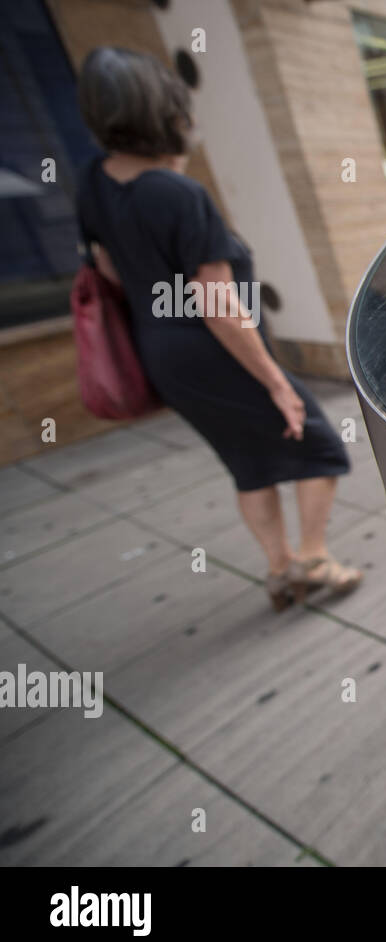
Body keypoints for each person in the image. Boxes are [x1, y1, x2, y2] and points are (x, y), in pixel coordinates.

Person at [74, 46, 362, 611]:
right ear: (166, 111)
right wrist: (276, 381)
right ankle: (313, 558)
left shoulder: (91, 183)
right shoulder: (180, 194)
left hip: (159, 347)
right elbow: (219, 303)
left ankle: (280, 570)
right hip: (214, 348)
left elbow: (109, 268)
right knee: (320, 447)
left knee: (247, 463)